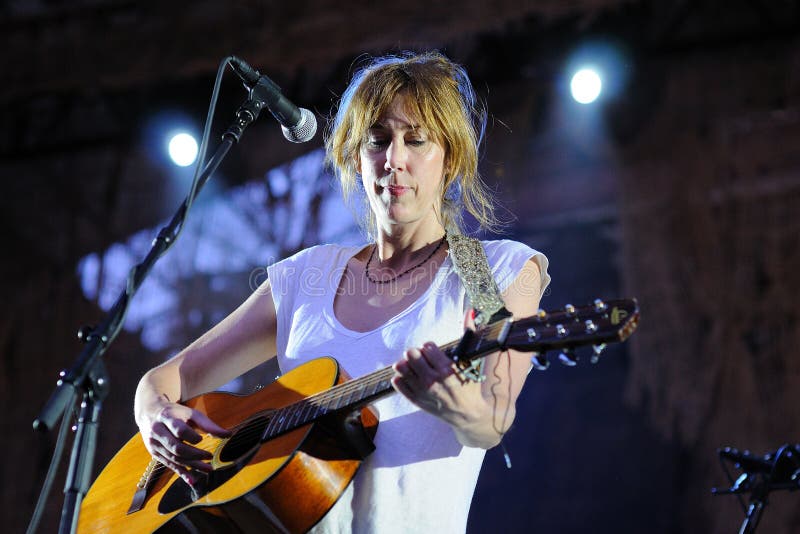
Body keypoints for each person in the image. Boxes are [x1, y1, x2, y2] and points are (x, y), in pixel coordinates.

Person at [134, 50, 550, 533]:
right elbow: (161, 383)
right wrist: (154, 417)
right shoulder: (305, 277)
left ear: (450, 158)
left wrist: (458, 404)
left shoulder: (495, 270)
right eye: (378, 141)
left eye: (416, 141)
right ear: (356, 157)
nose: (394, 160)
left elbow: (492, 421)